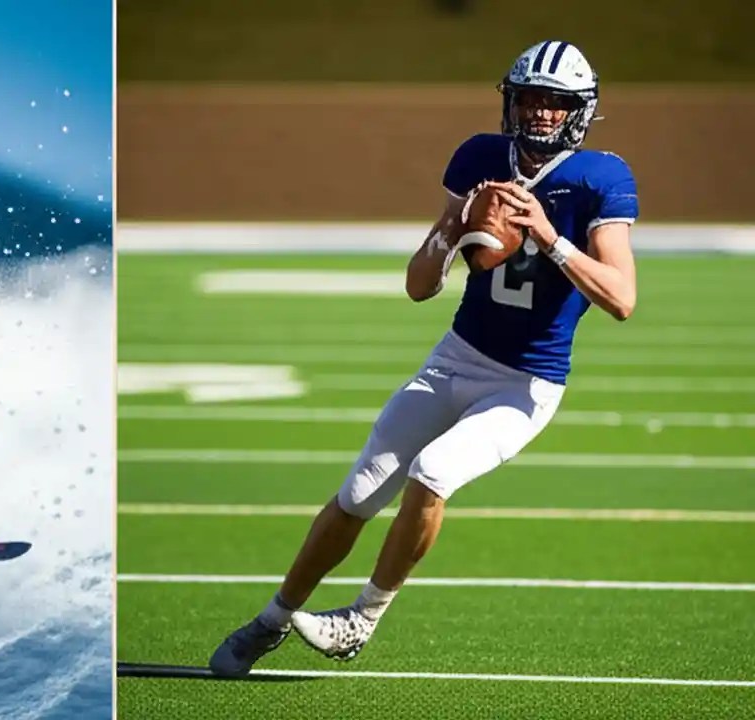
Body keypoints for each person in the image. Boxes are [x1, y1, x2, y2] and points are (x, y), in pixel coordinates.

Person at [209, 40, 639, 676]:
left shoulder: (601, 178)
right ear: (510, 102)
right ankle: (271, 620)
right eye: (531, 100)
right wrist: (455, 226)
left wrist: (550, 238)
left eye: (556, 104)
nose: (541, 114)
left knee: (434, 472)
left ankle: (362, 617)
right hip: (456, 358)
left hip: (526, 382)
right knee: (357, 492)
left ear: (579, 111)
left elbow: (622, 298)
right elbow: (419, 285)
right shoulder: (481, 158)